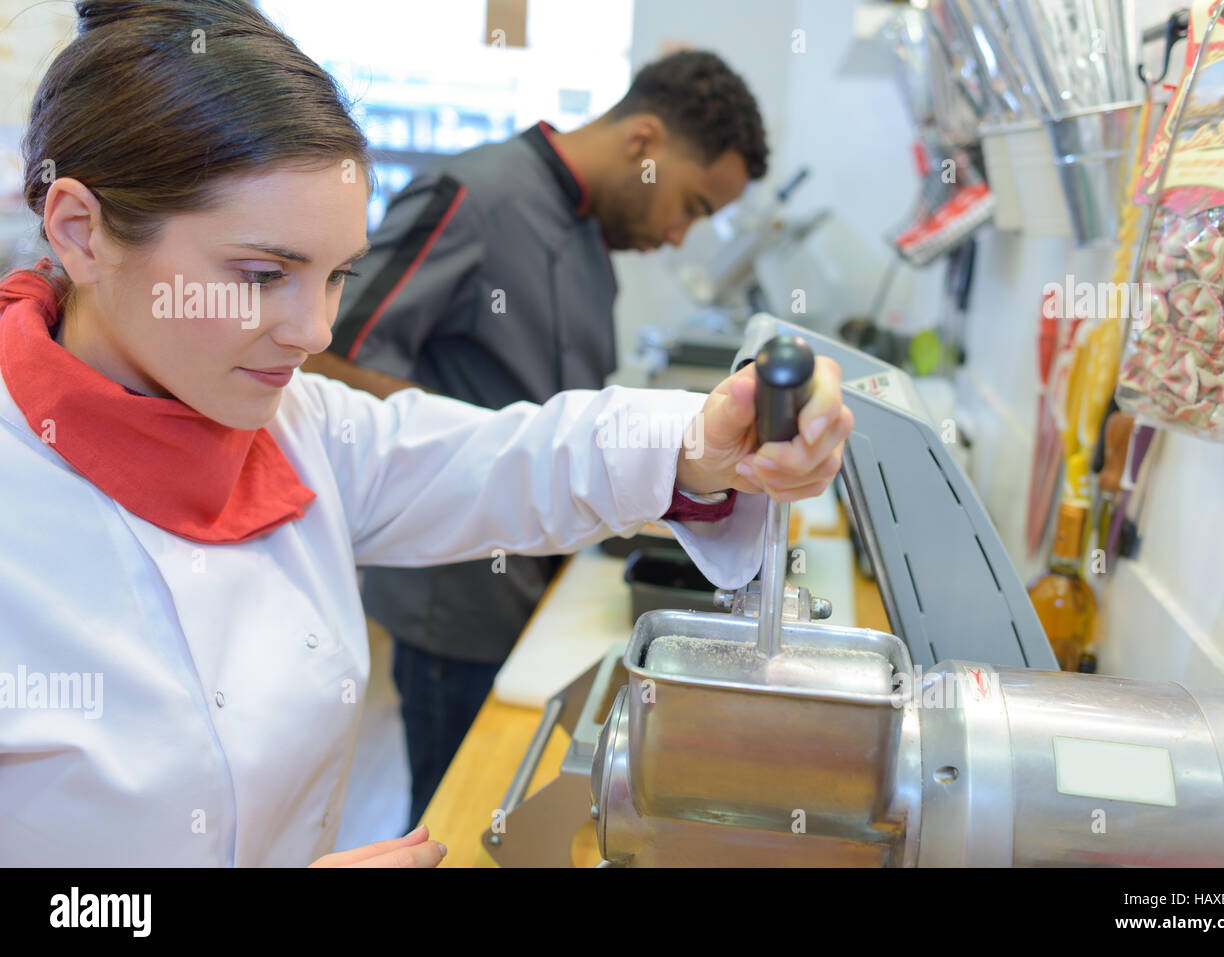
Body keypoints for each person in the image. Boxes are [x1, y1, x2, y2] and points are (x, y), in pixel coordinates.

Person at [0, 0, 853, 867]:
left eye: (335, 276)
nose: (316, 332)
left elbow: (511, 457)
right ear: (81, 232)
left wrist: (705, 439)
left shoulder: (302, 428)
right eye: (263, 274)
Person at [303, 50, 771, 828]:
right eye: (688, 203)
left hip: (536, 571)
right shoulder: (475, 194)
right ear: (642, 141)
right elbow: (331, 353)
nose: (681, 233)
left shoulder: (589, 232)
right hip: (457, 592)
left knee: (518, 812)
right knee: (455, 817)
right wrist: (476, 443)